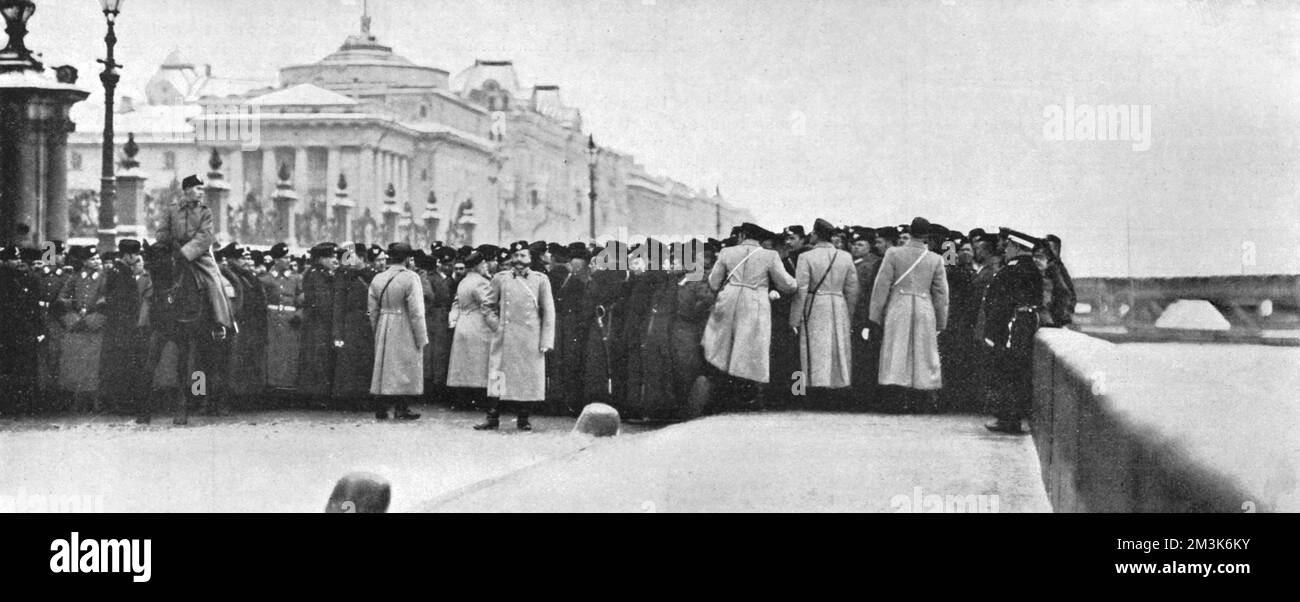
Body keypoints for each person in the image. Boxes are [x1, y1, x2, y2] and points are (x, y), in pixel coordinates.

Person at [701, 222, 798, 409]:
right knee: (749, 348)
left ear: (742, 235)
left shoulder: (726, 253)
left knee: (724, 345)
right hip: (754, 301)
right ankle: (747, 395)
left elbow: (714, 282)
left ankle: (723, 394)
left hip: (729, 299)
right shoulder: (770, 255)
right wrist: (795, 284)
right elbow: (787, 284)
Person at [868, 217, 950, 413]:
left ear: (910, 231)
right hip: (924, 307)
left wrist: (874, 316)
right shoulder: (936, 259)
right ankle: (921, 400)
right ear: (927, 236)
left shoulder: (893, 253)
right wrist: (941, 322)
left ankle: (895, 400)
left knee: (896, 351)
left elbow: (881, 286)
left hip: (899, 306)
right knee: (923, 353)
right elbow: (941, 294)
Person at [475, 242, 556, 431]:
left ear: (530, 259)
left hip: (530, 337)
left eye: (523, 256)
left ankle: (523, 418)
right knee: (498, 375)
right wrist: (497, 325)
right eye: (516, 256)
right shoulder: (500, 279)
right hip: (505, 336)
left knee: (526, 378)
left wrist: (546, 340)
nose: (518, 260)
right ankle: (492, 417)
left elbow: (549, 311)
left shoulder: (540, 280)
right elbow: (487, 305)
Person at [791, 218, 861, 409]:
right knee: (837, 348)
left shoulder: (806, 257)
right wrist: (849, 313)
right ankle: (838, 393)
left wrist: (794, 319)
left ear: (815, 234)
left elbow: (801, 290)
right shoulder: (845, 257)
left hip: (815, 305)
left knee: (814, 349)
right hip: (839, 304)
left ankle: (815, 394)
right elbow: (852, 290)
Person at [154, 175, 234, 335]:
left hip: (199, 258)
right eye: (198, 189)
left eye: (202, 189)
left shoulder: (205, 212)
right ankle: (151, 321)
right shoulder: (172, 210)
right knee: (153, 281)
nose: (201, 193)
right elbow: (161, 232)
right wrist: (171, 243)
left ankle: (220, 322)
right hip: (174, 255)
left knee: (214, 282)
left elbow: (205, 236)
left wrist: (186, 252)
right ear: (187, 190)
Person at [983, 229, 1045, 434]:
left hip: (1012, 325)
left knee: (1009, 370)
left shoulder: (1015, 268)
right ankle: (1009, 417)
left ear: (1017, 247)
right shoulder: (1029, 268)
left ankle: (1009, 419)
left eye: (1007, 245)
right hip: (1019, 322)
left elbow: (1001, 300)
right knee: (1014, 371)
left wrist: (993, 328)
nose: (1004, 249)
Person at [368, 243, 425, 421]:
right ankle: (402, 407)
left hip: (384, 322)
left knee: (384, 366)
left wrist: (376, 329)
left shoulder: (378, 278)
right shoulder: (410, 278)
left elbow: (372, 310)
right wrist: (421, 336)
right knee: (403, 366)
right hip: (403, 324)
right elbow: (416, 311)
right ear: (407, 258)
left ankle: (381, 407)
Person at [100, 239, 152, 419]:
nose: (137, 258)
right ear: (128, 255)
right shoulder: (121, 272)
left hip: (120, 327)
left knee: (121, 365)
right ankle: (120, 404)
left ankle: (119, 403)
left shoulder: (118, 271)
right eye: (136, 254)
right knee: (121, 365)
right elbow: (122, 302)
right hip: (122, 327)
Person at [58, 246, 107, 411]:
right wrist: (75, 309)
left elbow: (106, 299)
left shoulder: (103, 278)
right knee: (78, 363)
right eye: (93, 259)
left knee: (94, 364)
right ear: (85, 261)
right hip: (78, 324)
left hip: (95, 325)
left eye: (98, 259)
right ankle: (79, 400)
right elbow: (62, 297)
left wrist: (92, 314)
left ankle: (95, 400)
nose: (97, 262)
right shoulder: (75, 277)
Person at [446, 251, 497, 411]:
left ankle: (463, 400)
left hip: (463, 323)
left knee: (464, 364)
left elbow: (456, 302)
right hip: (478, 324)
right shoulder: (481, 282)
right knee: (480, 364)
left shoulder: (463, 282)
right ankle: (481, 400)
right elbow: (487, 303)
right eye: (483, 264)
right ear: (479, 265)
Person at [332, 243, 377, 410]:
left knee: (367, 360)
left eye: (351, 256)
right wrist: (337, 333)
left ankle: (366, 397)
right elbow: (339, 305)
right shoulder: (344, 276)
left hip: (368, 322)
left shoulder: (372, 275)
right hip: (350, 323)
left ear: (362, 258)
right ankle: (349, 399)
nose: (348, 260)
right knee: (349, 362)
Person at [0, 245, 42, 416]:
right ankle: (7, 405)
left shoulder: (28, 278)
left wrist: (37, 329)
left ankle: (23, 405)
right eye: (13, 259)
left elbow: (34, 306)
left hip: (24, 330)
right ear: (4, 261)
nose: (17, 262)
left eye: (18, 259)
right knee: (6, 369)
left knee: (25, 368)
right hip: (6, 331)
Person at [299, 242, 339, 407]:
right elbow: (323, 301)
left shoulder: (322, 273)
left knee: (321, 358)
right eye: (332, 256)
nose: (335, 260)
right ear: (322, 258)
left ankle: (320, 394)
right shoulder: (316, 274)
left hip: (320, 322)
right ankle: (317, 396)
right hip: (318, 323)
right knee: (317, 358)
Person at [261, 242, 302, 390]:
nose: (288, 261)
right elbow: (262, 302)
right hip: (272, 320)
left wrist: (298, 315)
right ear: (276, 260)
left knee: (289, 353)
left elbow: (302, 300)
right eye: (284, 258)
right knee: (273, 353)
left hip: (290, 321)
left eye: (289, 257)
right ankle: (273, 384)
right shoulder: (266, 279)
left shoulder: (296, 279)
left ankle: (288, 384)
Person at [849, 226, 882, 409]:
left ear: (869, 246)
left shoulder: (871, 264)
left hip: (864, 317)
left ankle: (864, 399)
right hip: (855, 316)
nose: (855, 247)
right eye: (853, 244)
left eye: (860, 244)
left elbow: (868, 295)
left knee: (864, 359)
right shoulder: (853, 262)